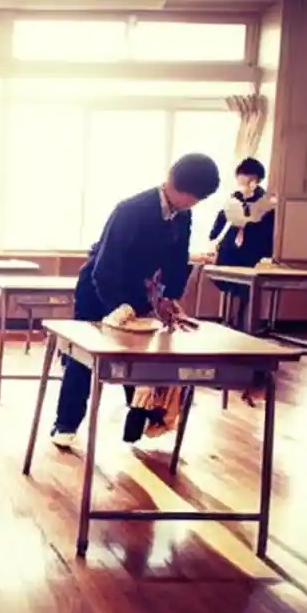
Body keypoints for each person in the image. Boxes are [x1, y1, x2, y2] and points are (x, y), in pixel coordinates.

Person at [51, 154, 222, 449]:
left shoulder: (183, 215)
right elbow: (105, 267)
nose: (194, 204)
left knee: (139, 357)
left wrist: (170, 297)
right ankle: (65, 423)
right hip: (99, 288)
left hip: (137, 289)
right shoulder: (131, 210)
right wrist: (119, 306)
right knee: (84, 358)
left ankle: (142, 421)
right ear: (175, 184)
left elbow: (177, 260)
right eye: (193, 197)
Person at [207, 157, 276, 328]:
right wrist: (214, 236)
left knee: (248, 289)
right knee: (229, 284)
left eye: (249, 177)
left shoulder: (266, 201)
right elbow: (221, 220)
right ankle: (229, 320)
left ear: (257, 179)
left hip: (254, 248)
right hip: (231, 248)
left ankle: (244, 323)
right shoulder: (234, 198)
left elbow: (270, 230)